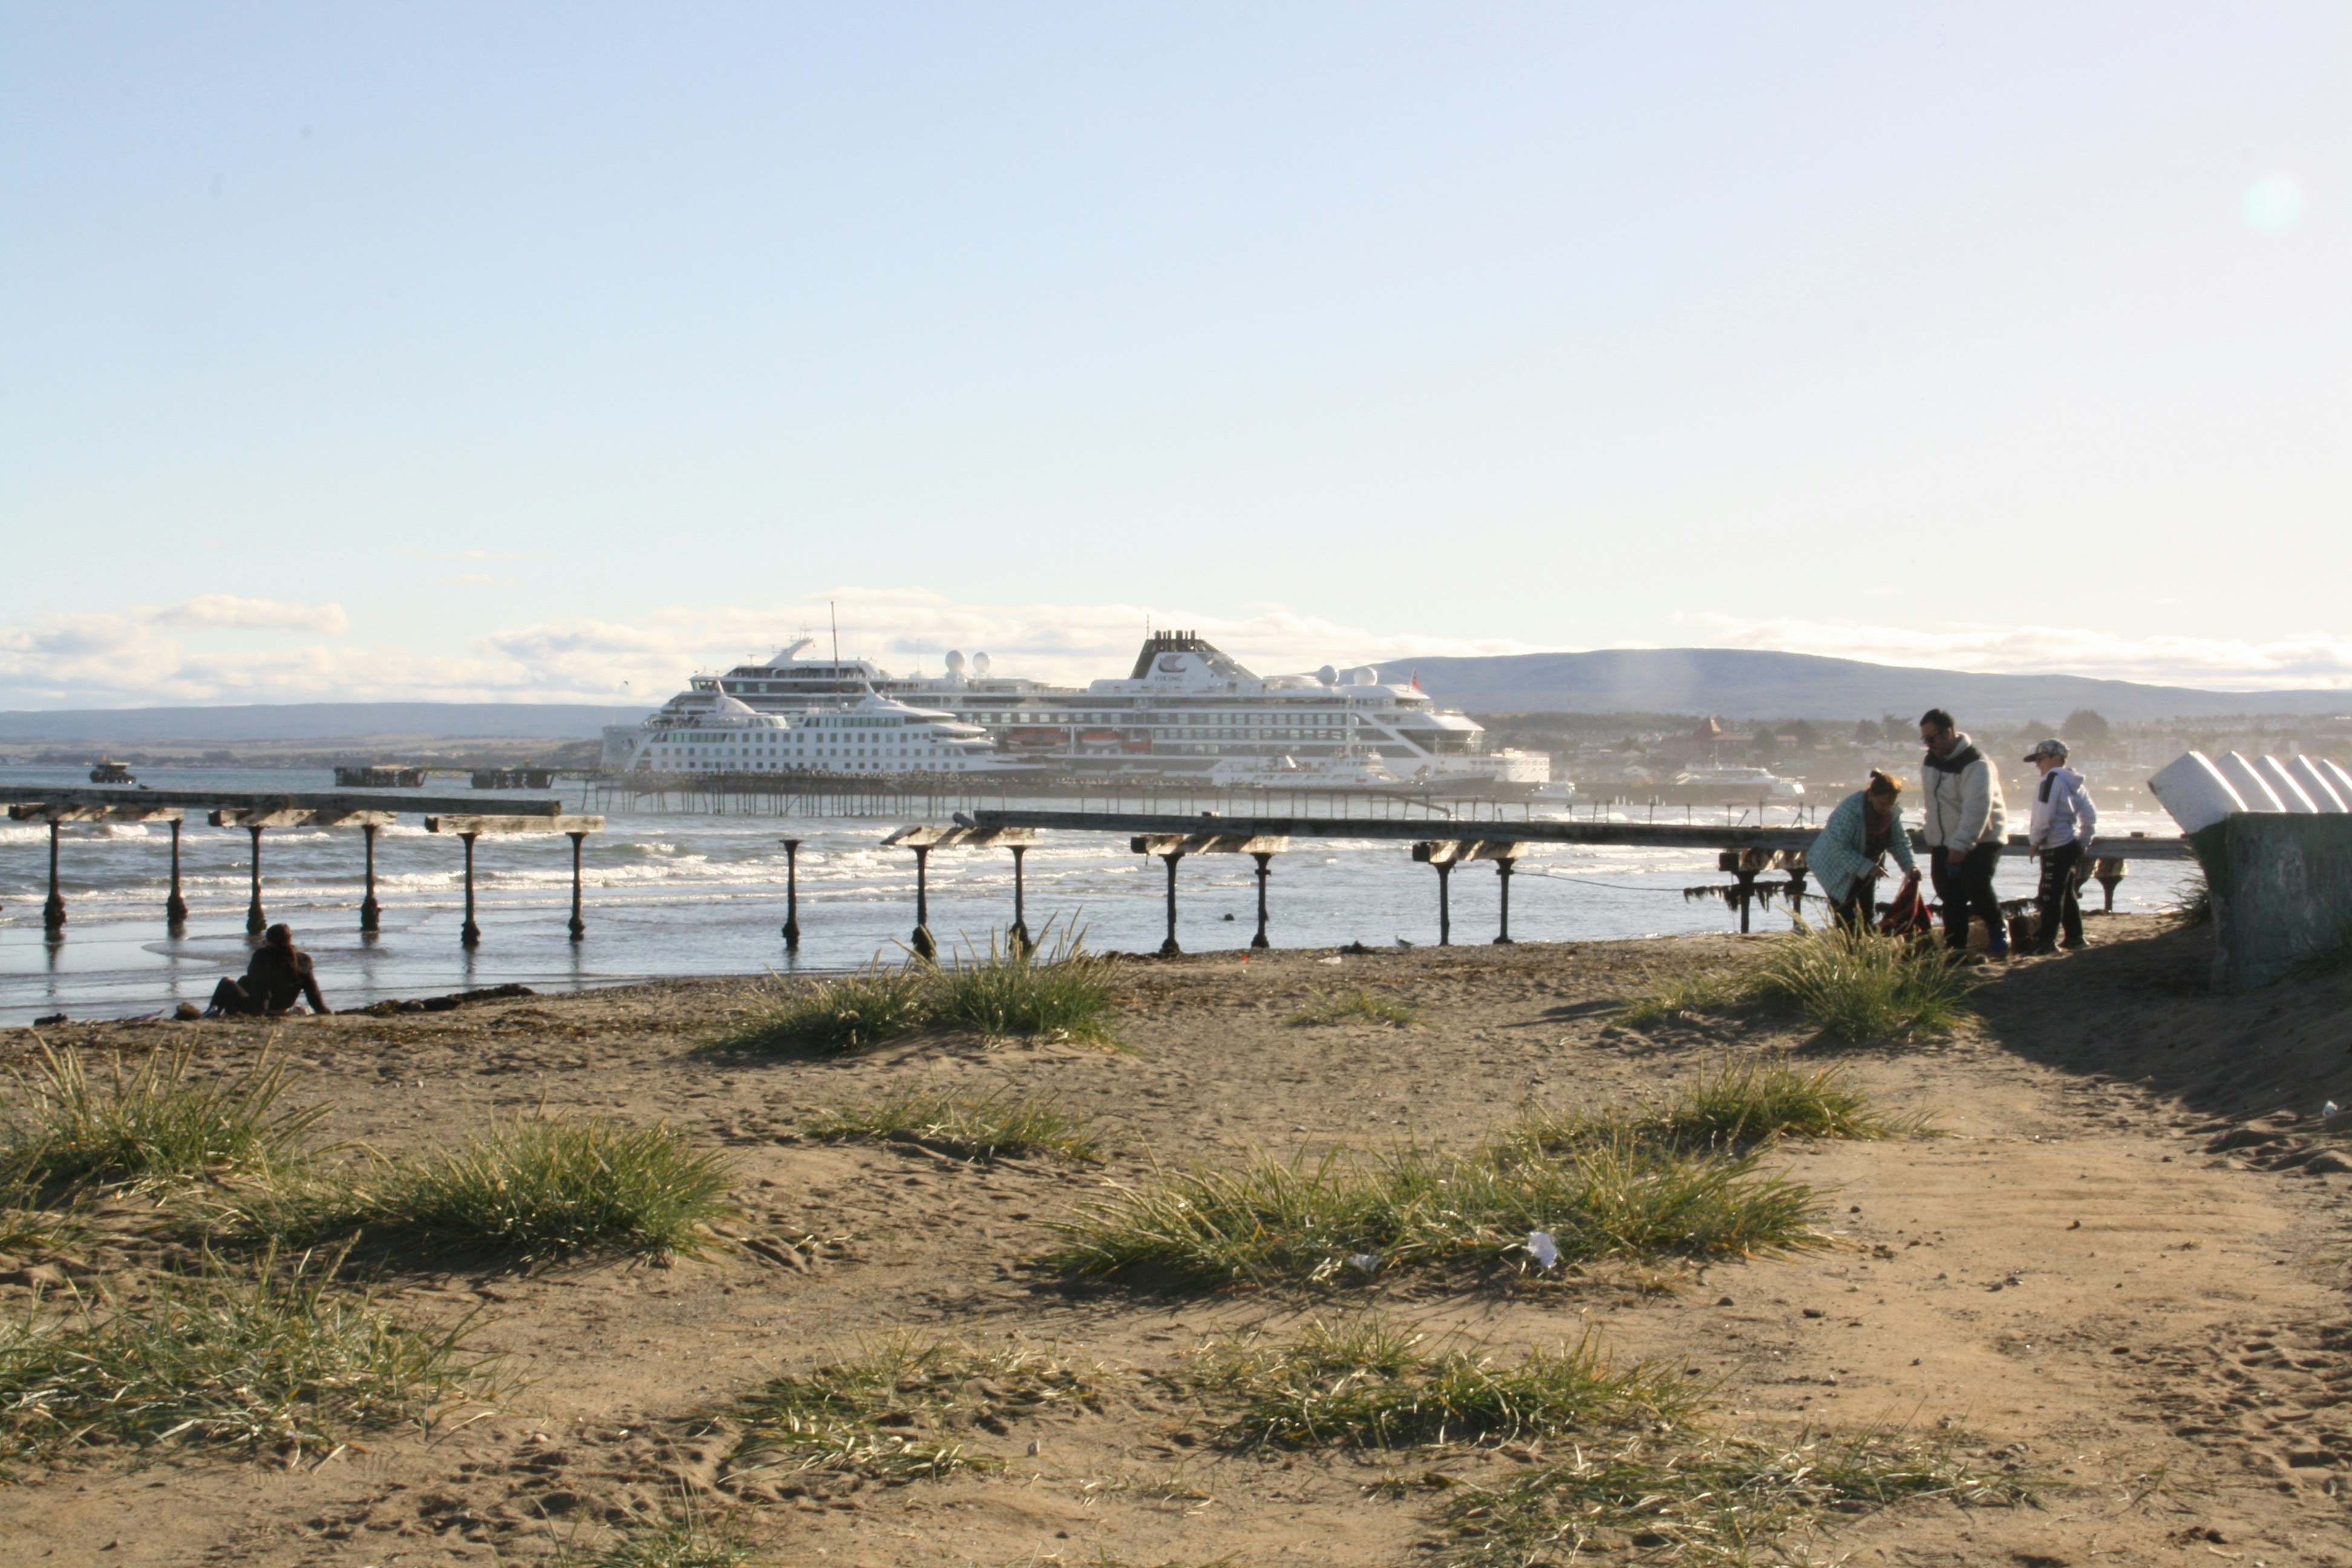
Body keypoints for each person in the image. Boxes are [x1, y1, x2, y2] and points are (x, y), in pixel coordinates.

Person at [1917, 708, 2010, 957]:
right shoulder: (1930, 761)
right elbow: (1932, 803)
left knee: (1977, 887)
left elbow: (1977, 809)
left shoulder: (1977, 764)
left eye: (1932, 739)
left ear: (1948, 733)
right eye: (1924, 740)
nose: (1929, 745)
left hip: (1983, 839)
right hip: (1944, 839)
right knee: (1949, 894)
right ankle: (1955, 947)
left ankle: (1998, 929)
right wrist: (1934, 837)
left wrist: (1961, 845)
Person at [1809, 769, 1920, 931]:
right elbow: (1840, 847)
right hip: (1834, 865)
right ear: (1871, 795)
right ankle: (1849, 953)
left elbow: (1899, 842)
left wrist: (1911, 867)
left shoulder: (1890, 814)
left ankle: (1865, 950)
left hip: (1867, 865)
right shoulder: (1850, 811)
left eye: (1891, 804)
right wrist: (1867, 867)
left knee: (1867, 914)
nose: (1886, 809)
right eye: (1882, 804)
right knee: (1847, 919)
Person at [2022, 737, 2097, 955]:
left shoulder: (2051, 780)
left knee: (2049, 895)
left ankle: (2047, 942)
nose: (2038, 765)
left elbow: (2044, 814)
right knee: (2066, 892)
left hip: (2054, 844)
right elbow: (2090, 815)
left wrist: (2035, 841)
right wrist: (2083, 841)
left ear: (2058, 758)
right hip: (2069, 844)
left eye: (2041, 759)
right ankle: (2075, 937)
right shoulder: (2075, 782)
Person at [206, 923, 332, 1016]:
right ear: (290, 940)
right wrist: (323, 1011)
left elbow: (262, 987)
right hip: (284, 1008)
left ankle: (213, 1011)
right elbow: (312, 992)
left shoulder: (263, 956)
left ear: (269, 942)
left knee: (226, 983)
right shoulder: (303, 960)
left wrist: (260, 1013)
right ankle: (220, 1013)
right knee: (245, 981)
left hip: (261, 1009)